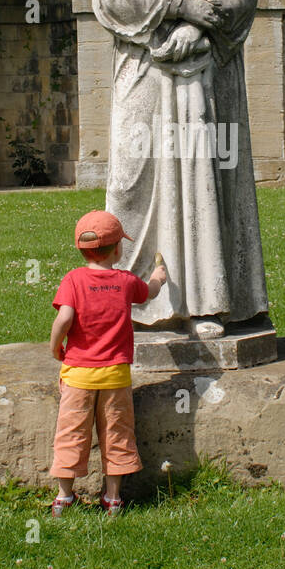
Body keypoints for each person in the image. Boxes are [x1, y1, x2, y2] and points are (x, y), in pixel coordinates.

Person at [93, 0, 267, 340]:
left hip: (211, 66)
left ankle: (211, 300)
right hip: (144, 66)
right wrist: (180, 7)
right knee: (133, 178)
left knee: (209, 176)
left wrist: (198, 29)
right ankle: (133, 303)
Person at [49, 209, 168, 517]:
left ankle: (64, 496)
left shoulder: (72, 280)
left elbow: (64, 318)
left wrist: (55, 346)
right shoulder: (126, 282)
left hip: (78, 377)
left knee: (71, 433)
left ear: (81, 248)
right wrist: (157, 279)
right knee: (117, 434)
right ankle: (113, 497)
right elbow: (150, 292)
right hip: (115, 376)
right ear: (117, 249)